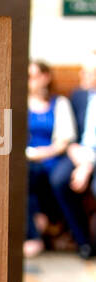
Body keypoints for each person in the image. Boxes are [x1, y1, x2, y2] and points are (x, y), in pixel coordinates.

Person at [25, 59, 92, 259]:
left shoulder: (59, 103)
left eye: (34, 76)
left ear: (45, 77)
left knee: (58, 179)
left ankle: (71, 236)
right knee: (24, 176)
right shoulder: (21, 104)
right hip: (28, 160)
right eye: (27, 77)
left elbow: (65, 139)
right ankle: (36, 233)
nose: (31, 81)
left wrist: (41, 153)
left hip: (53, 157)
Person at [69, 51, 96, 201]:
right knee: (58, 179)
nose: (82, 76)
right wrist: (73, 149)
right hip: (80, 151)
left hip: (92, 154)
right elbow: (72, 132)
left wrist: (87, 165)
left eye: (88, 73)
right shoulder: (78, 95)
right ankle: (77, 225)